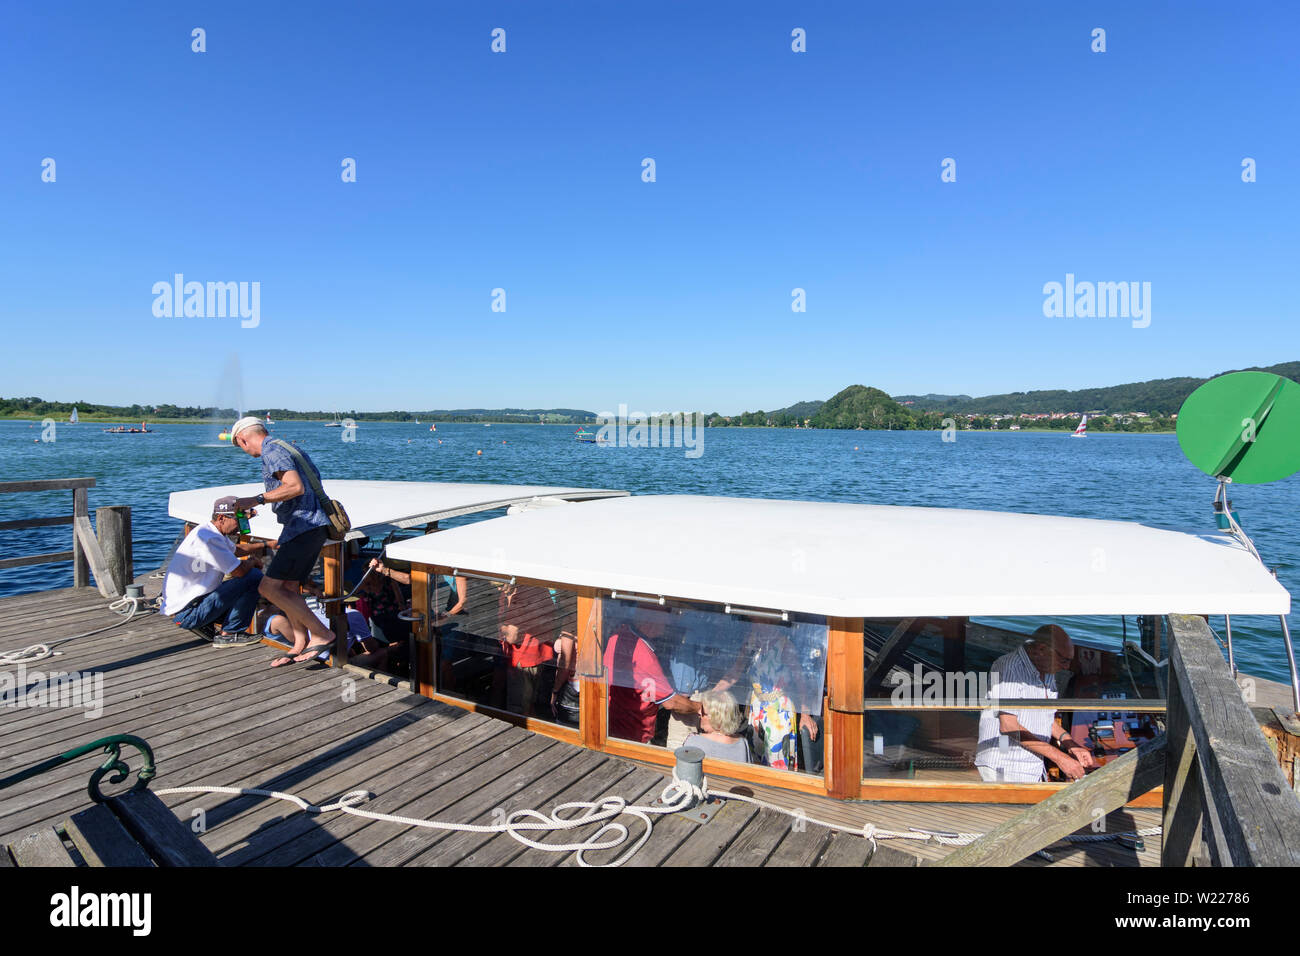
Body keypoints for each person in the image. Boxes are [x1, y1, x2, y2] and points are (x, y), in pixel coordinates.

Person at [228, 417, 336, 664]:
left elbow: (294, 486)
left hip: (303, 527)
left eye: (241, 446)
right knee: (287, 588)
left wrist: (257, 499)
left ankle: (322, 633)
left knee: (268, 588)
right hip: (310, 527)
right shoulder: (289, 447)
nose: (245, 452)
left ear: (244, 439)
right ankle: (300, 642)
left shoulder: (271, 450)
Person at [974, 624, 1099, 783]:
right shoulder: (1009, 668)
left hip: (1031, 766)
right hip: (1005, 765)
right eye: (1063, 660)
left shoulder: (1046, 669)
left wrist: (1070, 744)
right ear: (1040, 649)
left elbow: (1045, 717)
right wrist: (1061, 758)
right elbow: (1009, 726)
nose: (1067, 667)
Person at [160, 496, 268, 647]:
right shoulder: (210, 539)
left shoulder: (207, 530)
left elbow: (236, 550)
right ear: (222, 517)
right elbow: (239, 572)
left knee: (243, 578)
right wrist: (252, 562)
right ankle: (231, 633)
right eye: (239, 518)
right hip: (188, 613)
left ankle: (208, 624)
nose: (241, 524)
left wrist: (266, 545)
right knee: (254, 577)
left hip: (186, 608)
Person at [604, 608, 701, 744]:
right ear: (650, 623)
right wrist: (700, 708)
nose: (666, 629)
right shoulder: (644, 656)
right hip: (634, 733)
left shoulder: (618, 635)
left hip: (611, 722)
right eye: (664, 625)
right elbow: (671, 702)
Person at [682, 689, 752, 763]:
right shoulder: (743, 744)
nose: (699, 713)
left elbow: (684, 771)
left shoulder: (694, 742)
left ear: (715, 717)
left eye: (702, 710)